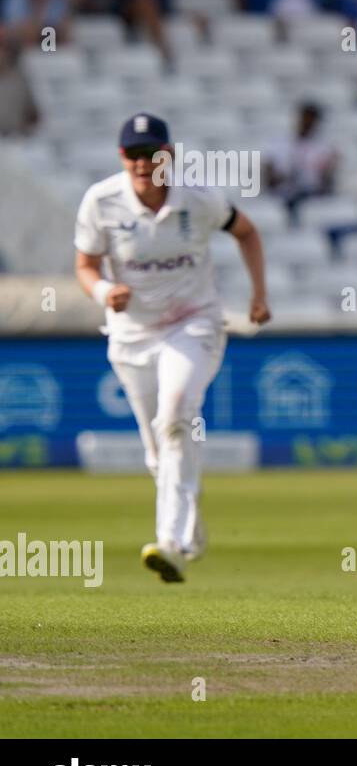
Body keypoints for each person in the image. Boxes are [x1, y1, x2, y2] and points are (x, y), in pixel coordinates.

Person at [73, 114, 272, 583]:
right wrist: (104, 292)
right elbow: (84, 265)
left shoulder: (199, 198)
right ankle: (192, 529)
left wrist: (258, 295)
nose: (143, 164)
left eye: (152, 154)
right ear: (122, 158)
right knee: (158, 453)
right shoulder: (101, 201)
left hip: (193, 324)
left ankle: (173, 544)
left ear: (170, 156)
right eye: (133, 155)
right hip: (131, 336)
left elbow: (247, 232)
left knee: (177, 414)